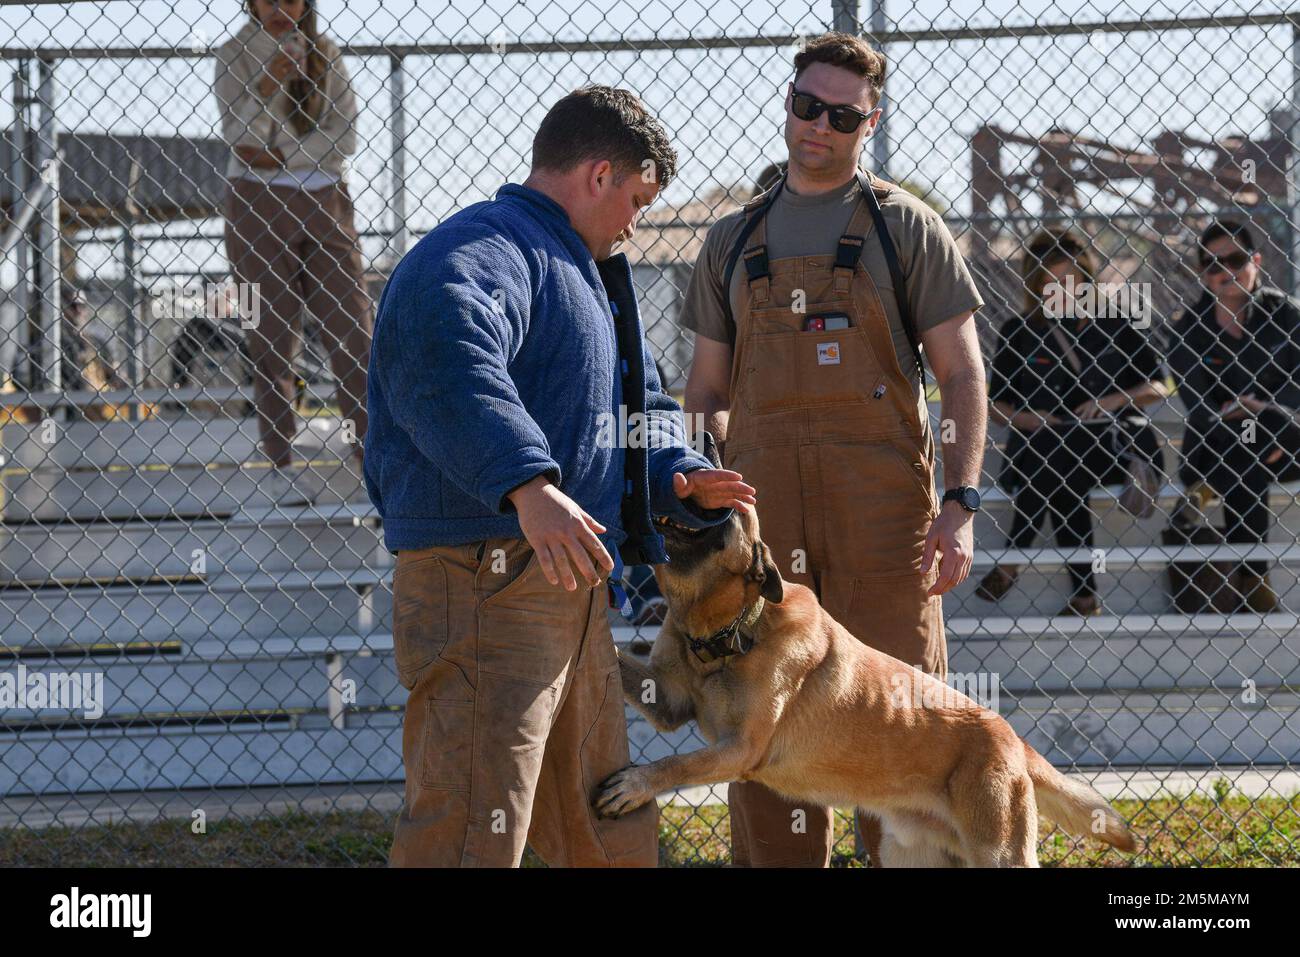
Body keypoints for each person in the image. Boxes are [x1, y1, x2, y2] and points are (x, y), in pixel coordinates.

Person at [365, 86, 755, 867]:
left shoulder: (586, 271)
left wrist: (679, 473)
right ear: (601, 173)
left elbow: (634, 404)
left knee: (601, 815)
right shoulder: (487, 245)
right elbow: (443, 345)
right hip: (486, 574)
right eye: (638, 199)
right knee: (474, 818)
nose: (636, 220)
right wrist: (530, 487)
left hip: (565, 583)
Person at [680, 31, 987, 867]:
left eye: (840, 116)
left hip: (886, 527)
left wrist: (958, 506)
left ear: (868, 122)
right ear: (788, 103)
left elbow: (961, 376)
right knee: (765, 732)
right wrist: (704, 485)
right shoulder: (731, 242)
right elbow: (705, 390)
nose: (817, 126)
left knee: (904, 733)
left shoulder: (907, 230)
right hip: (765, 532)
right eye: (805, 106)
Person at [214, 0, 371, 506]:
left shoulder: (325, 52)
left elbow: (345, 136)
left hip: (327, 199)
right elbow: (241, 139)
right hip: (257, 203)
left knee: (353, 332)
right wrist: (267, 85)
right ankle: (280, 463)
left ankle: (373, 458)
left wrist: (282, 155)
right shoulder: (235, 54)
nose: (282, 8)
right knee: (271, 337)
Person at [977, 229, 1167, 616]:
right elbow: (995, 403)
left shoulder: (1116, 323)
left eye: (1071, 282)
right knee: (1062, 462)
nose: (1062, 291)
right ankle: (1085, 597)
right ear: (1037, 286)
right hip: (1044, 444)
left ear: (1086, 280)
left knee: (1059, 456)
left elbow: (1158, 386)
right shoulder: (1020, 331)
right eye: (1051, 284)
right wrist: (1026, 419)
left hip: (1109, 443)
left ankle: (1013, 560)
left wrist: (1111, 400)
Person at [1166, 219, 1300, 613]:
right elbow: (1197, 402)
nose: (1225, 271)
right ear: (1202, 275)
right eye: (1212, 264)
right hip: (1227, 442)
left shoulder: (1289, 315)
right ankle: (1253, 578)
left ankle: (1207, 489)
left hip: (1287, 444)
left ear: (1256, 260)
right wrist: (1247, 416)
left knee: (1263, 426)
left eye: (1236, 259)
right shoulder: (1188, 329)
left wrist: (1264, 411)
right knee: (1243, 447)